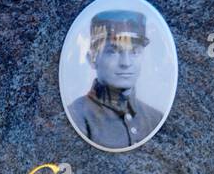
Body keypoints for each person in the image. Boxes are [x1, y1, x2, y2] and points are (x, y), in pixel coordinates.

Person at [67, 10, 164, 150]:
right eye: (112, 51)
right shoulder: (77, 117)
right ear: (92, 59)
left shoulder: (155, 118)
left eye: (134, 52)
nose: (126, 63)